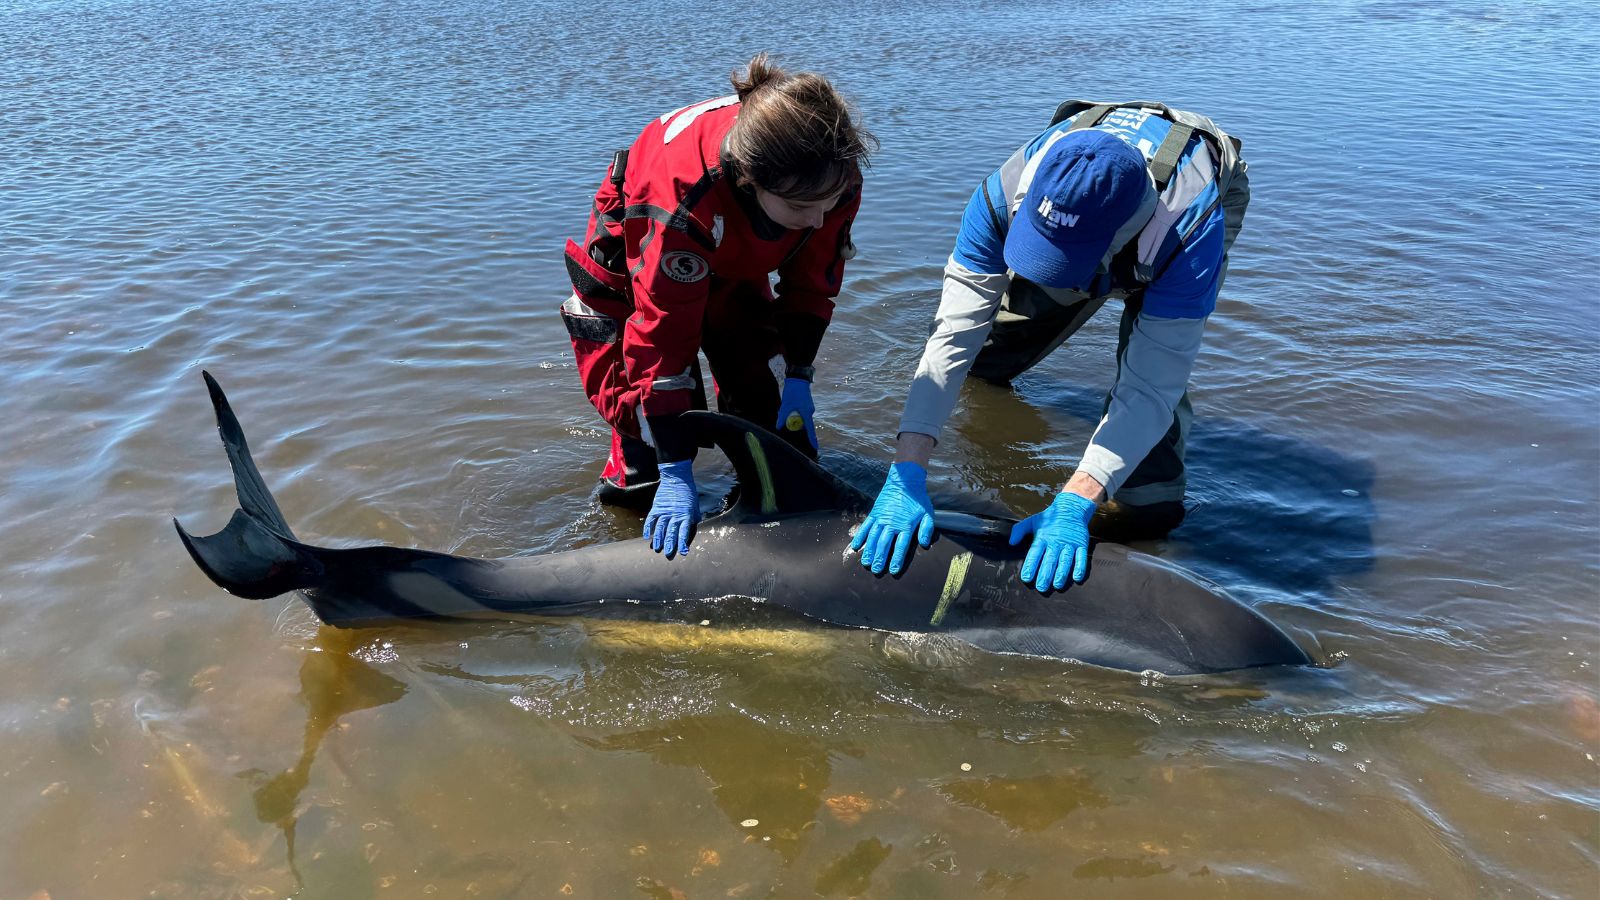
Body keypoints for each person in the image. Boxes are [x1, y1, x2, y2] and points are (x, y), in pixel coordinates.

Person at [849, 100, 1250, 593]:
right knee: (984, 359)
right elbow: (952, 337)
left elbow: (1150, 387)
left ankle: (1141, 508)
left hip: (1172, 224)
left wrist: (1078, 499)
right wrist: (907, 467)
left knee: (1150, 493)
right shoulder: (1002, 194)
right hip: (1079, 216)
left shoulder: (1189, 236)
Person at [560, 54, 872, 558]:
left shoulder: (827, 174)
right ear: (751, 179)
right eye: (800, 209)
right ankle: (640, 466)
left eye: (829, 204)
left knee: (773, 425)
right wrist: (676, 468)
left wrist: (800, 373)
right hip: (644, 242)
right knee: (644, 451)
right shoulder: (683, 201)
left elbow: (812, 283)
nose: (818, 221)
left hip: (734, 246)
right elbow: (662, 334)